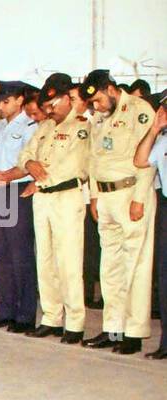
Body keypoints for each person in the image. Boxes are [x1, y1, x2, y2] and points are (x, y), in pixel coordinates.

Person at [81, 69, 158, 354]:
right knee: (110, 266)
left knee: (135, 265)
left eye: (99, 100)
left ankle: (134, 332)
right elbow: (93, 159)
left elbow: (147, 157)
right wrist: (94, 196)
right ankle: (112, 328)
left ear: (111, 89)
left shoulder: (139, 111)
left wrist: (139, 198)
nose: (96, 106)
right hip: (106, 197)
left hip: (130, 195)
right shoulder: (100, 118)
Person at [20, 72, 90, 344]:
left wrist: (40, 175)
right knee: (45, 259)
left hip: (66, 196)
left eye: (54, 105)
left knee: (69, 261)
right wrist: (29, 165)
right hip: (43, 197)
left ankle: (75, 322)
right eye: (46, 107)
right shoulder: (45, 127)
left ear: (67, 99)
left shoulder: (80, 127)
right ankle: (51, 316)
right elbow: (26, 152)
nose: (49, 111)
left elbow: (73, 165)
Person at [0, 81, 40, 332]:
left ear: (19, 100)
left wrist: (5, 176)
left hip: (17, 190)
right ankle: (4, 310)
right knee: (1, 254)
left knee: (20, 254)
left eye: (6, 102)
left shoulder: (30, 126)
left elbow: (29, 162)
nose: (2, 107)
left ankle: (25, 314)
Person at [134, 97, 167, 358]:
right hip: (166, 205)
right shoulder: (164, 140)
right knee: (165, 276)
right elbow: (141, 160)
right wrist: (154, 129)